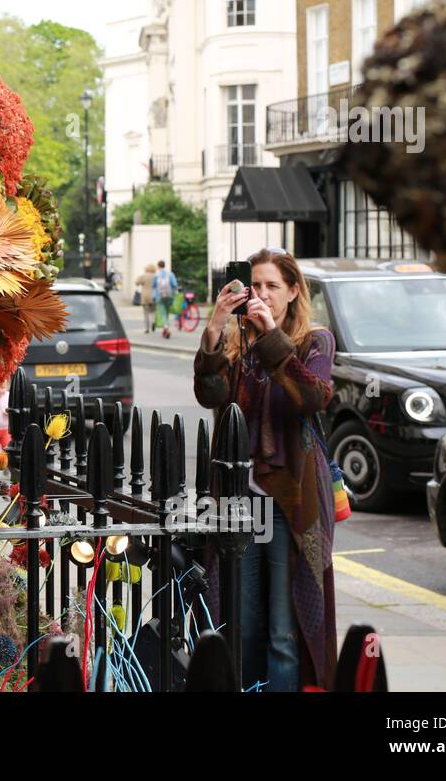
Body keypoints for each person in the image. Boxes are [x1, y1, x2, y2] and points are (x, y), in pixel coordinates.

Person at [192, 248, 338, 692]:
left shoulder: (315, 342)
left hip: (290, 506)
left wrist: (272, 337)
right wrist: (215, 327)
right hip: (239, 503)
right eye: (255, 285)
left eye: (273, 286)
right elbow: (210, 394)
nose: (262, 294)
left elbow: (312, 396)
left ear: (294, 291)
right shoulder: (237, 342)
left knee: (283, 632)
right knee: (241, 624)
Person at [153, 260, 179, 338]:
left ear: (158, 266)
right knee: (167, 312)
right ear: (164, 265)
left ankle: (166, 327)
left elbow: (153, 286)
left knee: (163, 312)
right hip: (169, 296)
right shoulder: (170, 274)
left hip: (159, 296)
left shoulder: (156, 275)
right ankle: (166, 327)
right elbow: (174, 284)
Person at [137, 263, 157, 333]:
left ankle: (147, 328)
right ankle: (153, 321)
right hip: (154, 296)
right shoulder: (156, 276)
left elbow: (137, 283)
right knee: (153, 311)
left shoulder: (143, 276)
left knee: (146, 313)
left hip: (145, 296)